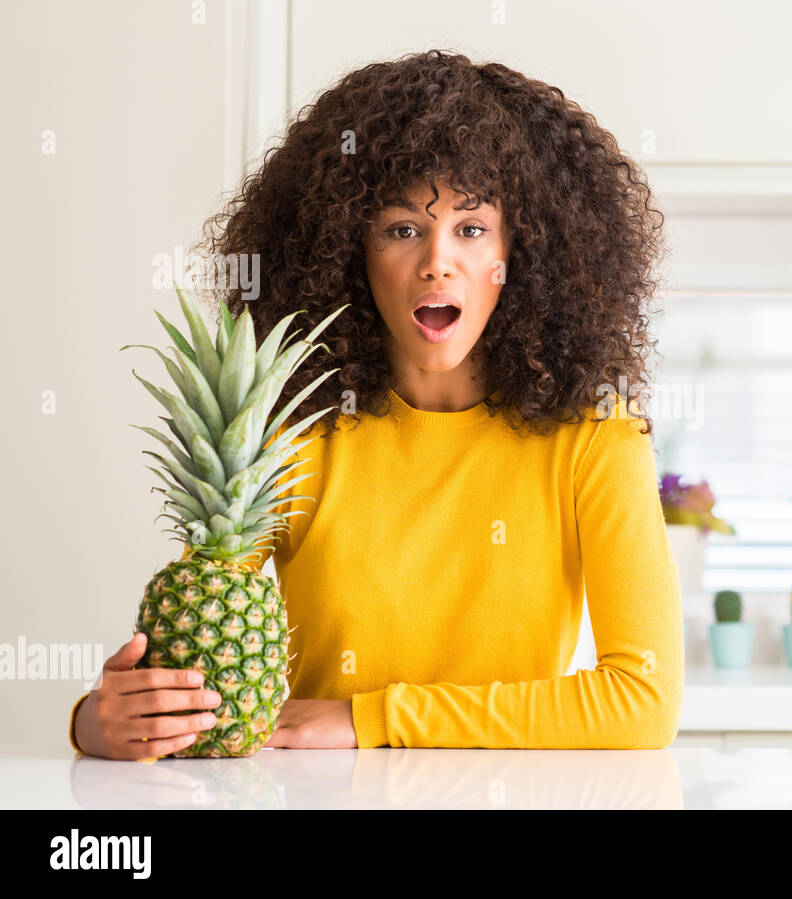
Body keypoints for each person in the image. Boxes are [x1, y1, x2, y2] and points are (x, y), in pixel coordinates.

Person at [70, 49, 683, 758]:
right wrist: (98, 722)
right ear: (346, 252)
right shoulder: (287, 432)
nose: (436, 260)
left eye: (472, 228)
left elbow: (643, 698)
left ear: (522, 252)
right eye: (401, 229)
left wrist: (370, 718)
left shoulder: (594, 437)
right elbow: (203, 680)